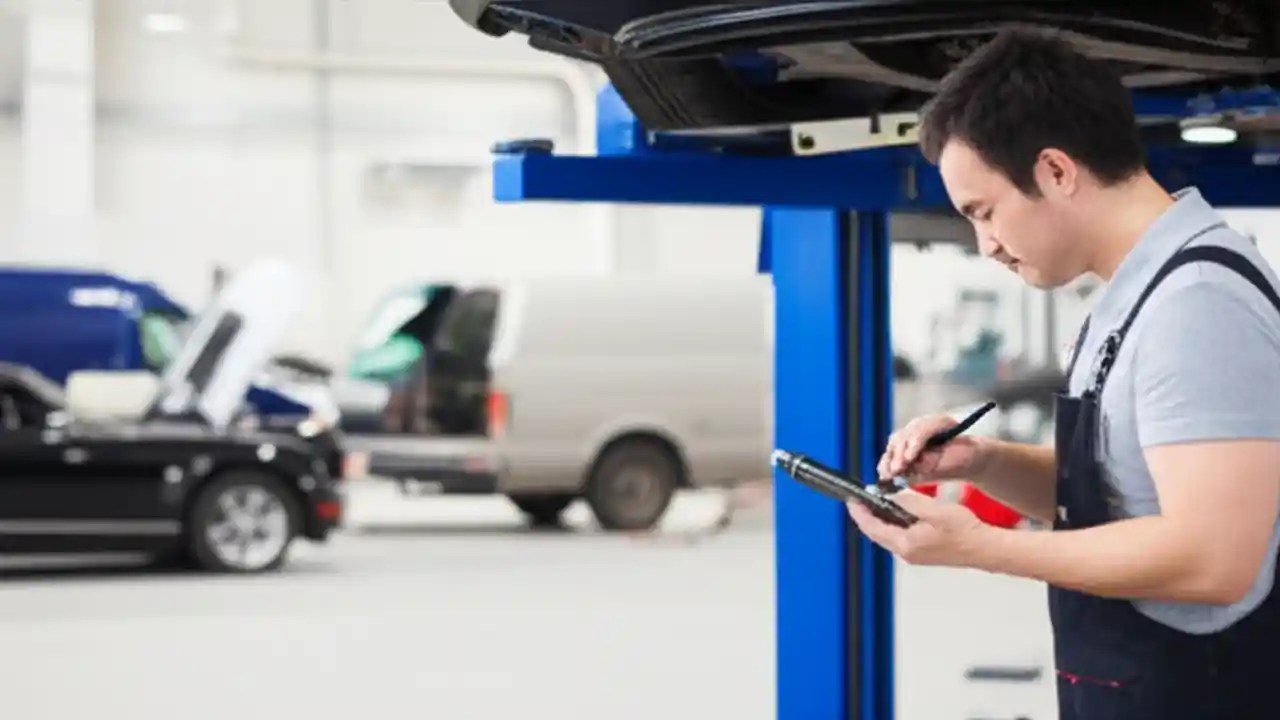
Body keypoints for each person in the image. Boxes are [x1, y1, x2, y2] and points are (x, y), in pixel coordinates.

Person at [847, 29, 1280, 720]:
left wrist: (982, 548)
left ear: (1054, 170)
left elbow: (1214, 557)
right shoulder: (1133, 296)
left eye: (983, 212)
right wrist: (982, 462)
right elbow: (1122, 496)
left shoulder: (1198, 302)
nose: (985, 244)